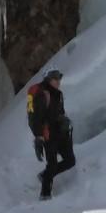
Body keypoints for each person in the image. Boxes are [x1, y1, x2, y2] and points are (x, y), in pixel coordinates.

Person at [27, 68, 76, 199]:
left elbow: (59, 112)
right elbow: (35, 118)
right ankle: (45, 195)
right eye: (55, 78)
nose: (58, 81)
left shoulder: (58, 94)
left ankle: (44, 175)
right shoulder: (42, 95)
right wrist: (39, 137)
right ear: (48, 79)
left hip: (61, 133)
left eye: (59, 78)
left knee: (70, 161)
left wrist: (64, 121)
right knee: (52, 165)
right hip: (48, 135)